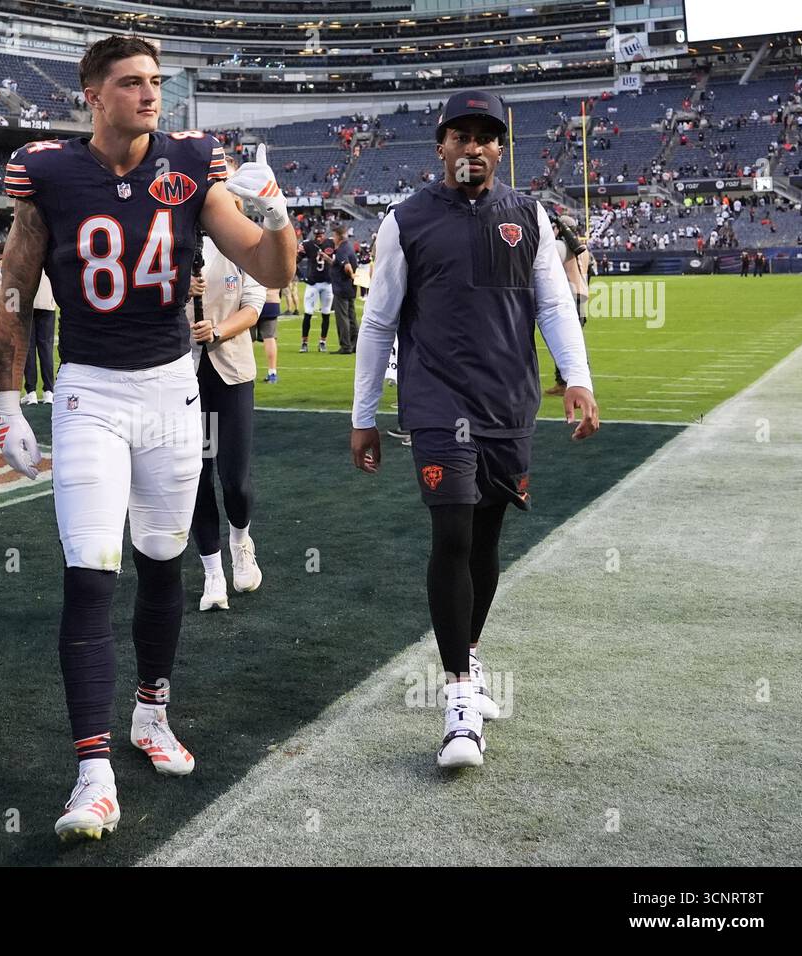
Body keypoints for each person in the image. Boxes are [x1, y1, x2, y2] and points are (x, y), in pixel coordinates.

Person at [0, 35, 294, 842]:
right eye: (132, 82)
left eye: (156, 81)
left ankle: (151, 713)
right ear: (93, 93)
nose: (150, 93)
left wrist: (282, 219)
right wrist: (9, 400)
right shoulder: (49, 170)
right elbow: (15, 285)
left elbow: (266, 268)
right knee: (90, 571)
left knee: (163, 563)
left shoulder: (193, 161)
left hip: (171, 389)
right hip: (90, 390)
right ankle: (91, 774)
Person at [350, 91, 598, 771]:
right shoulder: (406, 221)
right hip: (435, 403)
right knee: (453, 530)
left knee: (486, 538)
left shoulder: (528, 215)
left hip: (508, 405)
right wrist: (362, 415)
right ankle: (458, 698)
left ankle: (469, 654)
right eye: (462, 136)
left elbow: (552, 302)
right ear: (442, 147)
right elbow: (378, 322)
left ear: (500, 149)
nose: (474, 148)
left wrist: (577, 377)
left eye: (487, 138)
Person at [188, 153, 266, 611]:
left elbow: (254, 306)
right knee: (195, 478)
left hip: (231, 372)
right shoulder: (175, 239)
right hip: (182, 375)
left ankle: (241, 542)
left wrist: (217, 330)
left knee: (233, 479)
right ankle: (212, 572)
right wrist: (181, 293)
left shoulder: (245, 240)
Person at [543, 214, 591, 396]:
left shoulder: (561, 247)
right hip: (582, 294)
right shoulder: (583, 249)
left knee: (563, 341)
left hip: (569, 296)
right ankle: (578, 380)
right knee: (575, 341)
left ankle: (565, 382)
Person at [22, 270, 56, 405]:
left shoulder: (27, 252)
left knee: (29, 349)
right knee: (46, 349)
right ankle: (48, 391)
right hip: (46, 300)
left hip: (28, 301)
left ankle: (31, 392)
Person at [299, 226, 333, 352]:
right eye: (317, 235)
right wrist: (301, 276)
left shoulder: (331, 243)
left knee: (326, 313)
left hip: (327, 283)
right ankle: (304, 342)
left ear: (324, 234)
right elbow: (296, 260)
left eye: (321, 235)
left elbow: (338, 259)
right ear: (314, 235)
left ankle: (322, 342)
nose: (319, 238)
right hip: (312, 284)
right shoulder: (308, 244)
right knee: (308, 313)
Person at [327, 225, 358, 353]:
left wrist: (351, 275)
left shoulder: (341, 250)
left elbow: (347, 266)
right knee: (351, 316)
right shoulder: (348, 246)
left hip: (342, 288)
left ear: (339, 236)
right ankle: (355, 344)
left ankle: (345, 346)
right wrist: (328, 260)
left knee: (342, 317)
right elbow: (340, 265)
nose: (333, 238)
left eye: (334, 236)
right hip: (350, 288)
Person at [252, 292, 280, 383]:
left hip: (252, 301)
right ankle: (272, 373)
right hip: (271, 300)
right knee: (269, 337)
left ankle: (249, 373)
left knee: (248, 339)